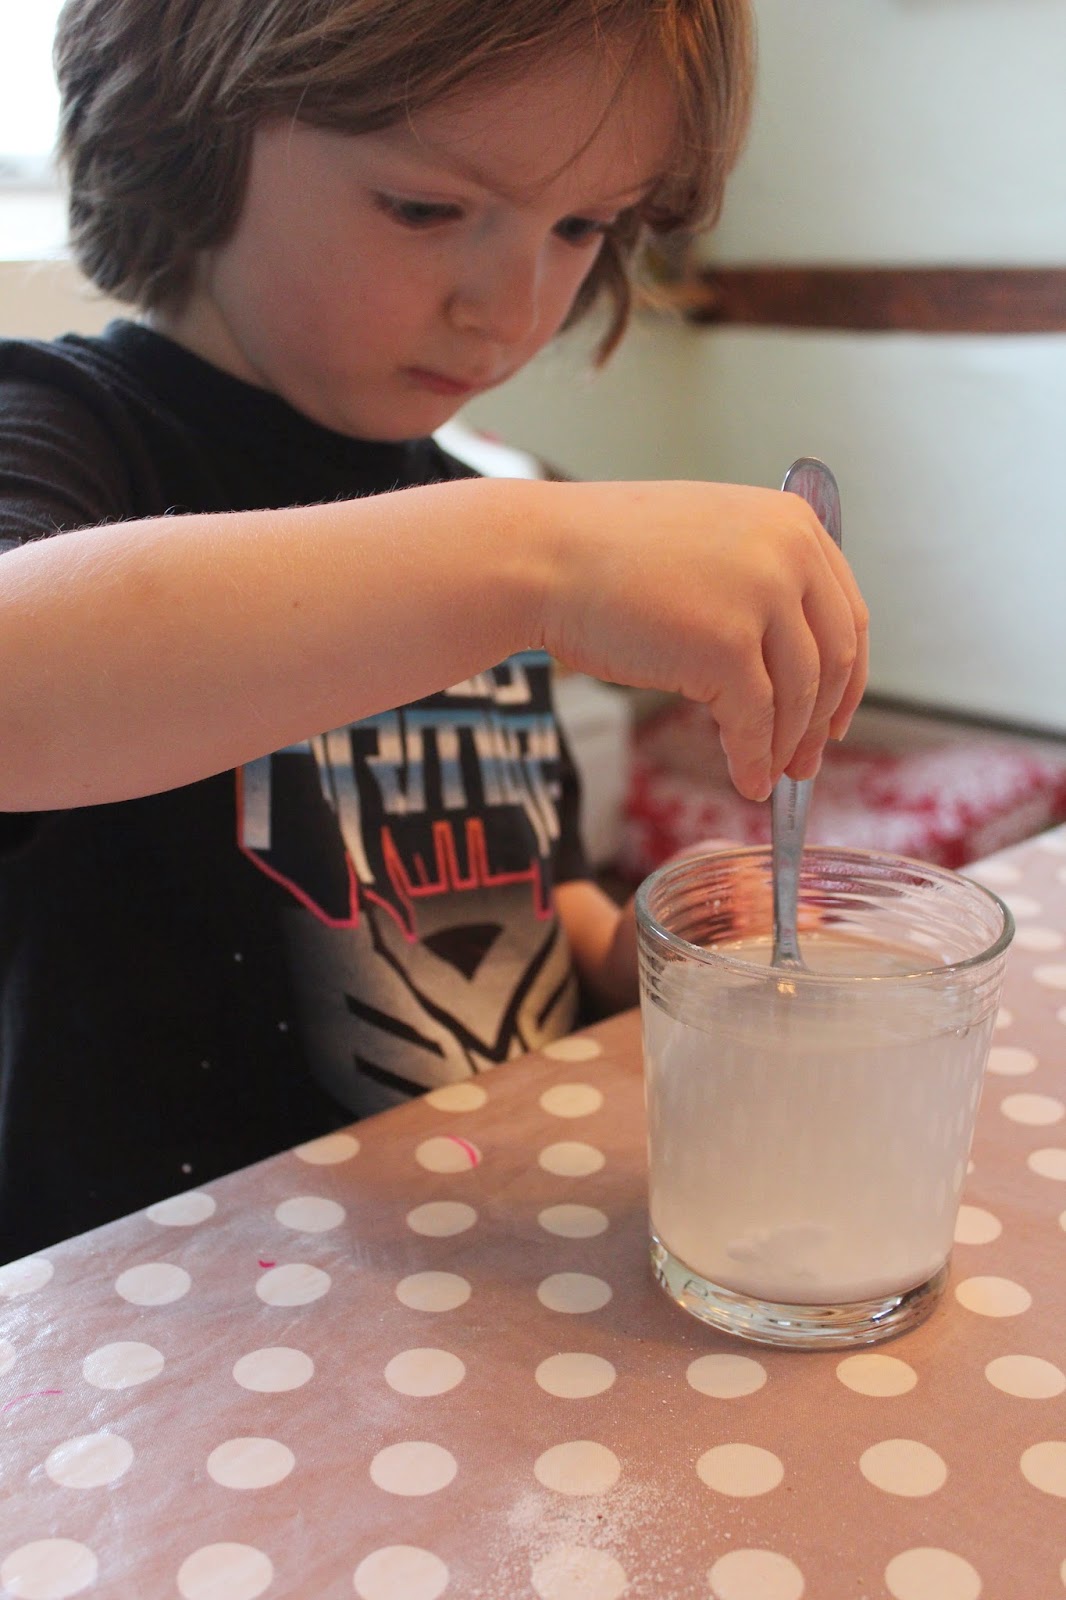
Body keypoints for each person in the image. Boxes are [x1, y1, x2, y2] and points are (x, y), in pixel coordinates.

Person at [0, 0, 868, 1263]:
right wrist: (533, 558)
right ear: (188, 127)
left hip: (462, 1296)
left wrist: (651, 953)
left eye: (581, 226)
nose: (511, 308)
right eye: (424, 208)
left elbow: (519, 898)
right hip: (153, 1351)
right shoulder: (68, 428)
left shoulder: (479, 533)